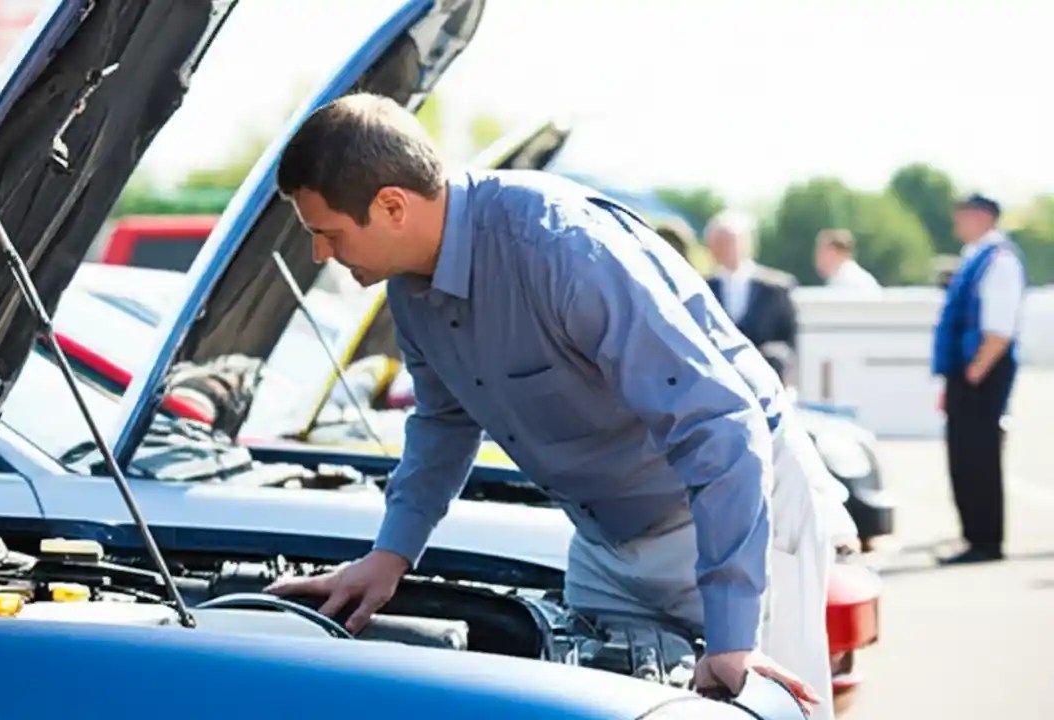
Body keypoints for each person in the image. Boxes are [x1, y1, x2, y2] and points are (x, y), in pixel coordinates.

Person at [264, 92, 839, 715]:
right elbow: (442, 422)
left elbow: (720, 424)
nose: (322, 254)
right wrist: (390, 556)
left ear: (393, 205)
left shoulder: (562, 248)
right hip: (602, 541)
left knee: (754, 710)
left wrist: (732, 637)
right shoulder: (408, 285)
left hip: (729, 512)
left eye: (327, 234)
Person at [931, 192, 1026, 565]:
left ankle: (985, 540)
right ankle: (973, 535)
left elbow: (998, 331)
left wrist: (973, 373)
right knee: (964, 458)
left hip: (982, 373)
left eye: (963, 215)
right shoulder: (978, 257)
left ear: (983, 216)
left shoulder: (999, 260)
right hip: (968, 374)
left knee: (979, 458)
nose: (957, 222)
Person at [704, 212, 800, 385]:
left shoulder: (776, 287)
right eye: (717, 242)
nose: (723, 248)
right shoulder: (702, 287)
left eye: (728, 241)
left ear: (746, 244)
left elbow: (791, 341)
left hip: (766, 381)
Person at [814, 228, 880, 291]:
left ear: (832, 252)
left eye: (820, 251)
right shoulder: (859, 277)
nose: (816, 256)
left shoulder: (845, 282)